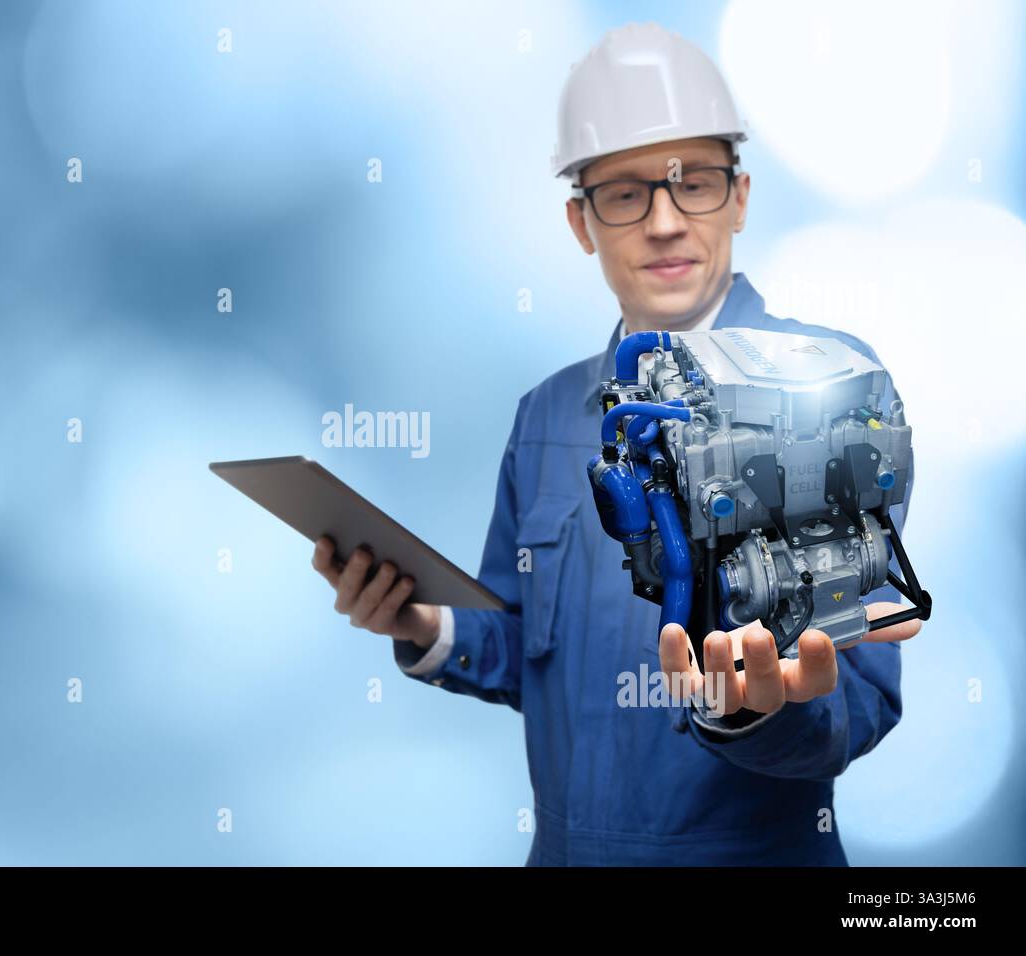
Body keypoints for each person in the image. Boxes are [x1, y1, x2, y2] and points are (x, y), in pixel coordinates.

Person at [312, 22, 921, 865]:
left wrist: (757, 709)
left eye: (695, 183)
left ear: (740, 197)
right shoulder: (548, 417)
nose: (666, 223)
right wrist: (420, 619)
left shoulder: (828, 393)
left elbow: (859, 699)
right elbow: (523, 650)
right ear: (579, 220)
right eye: (627, 193)